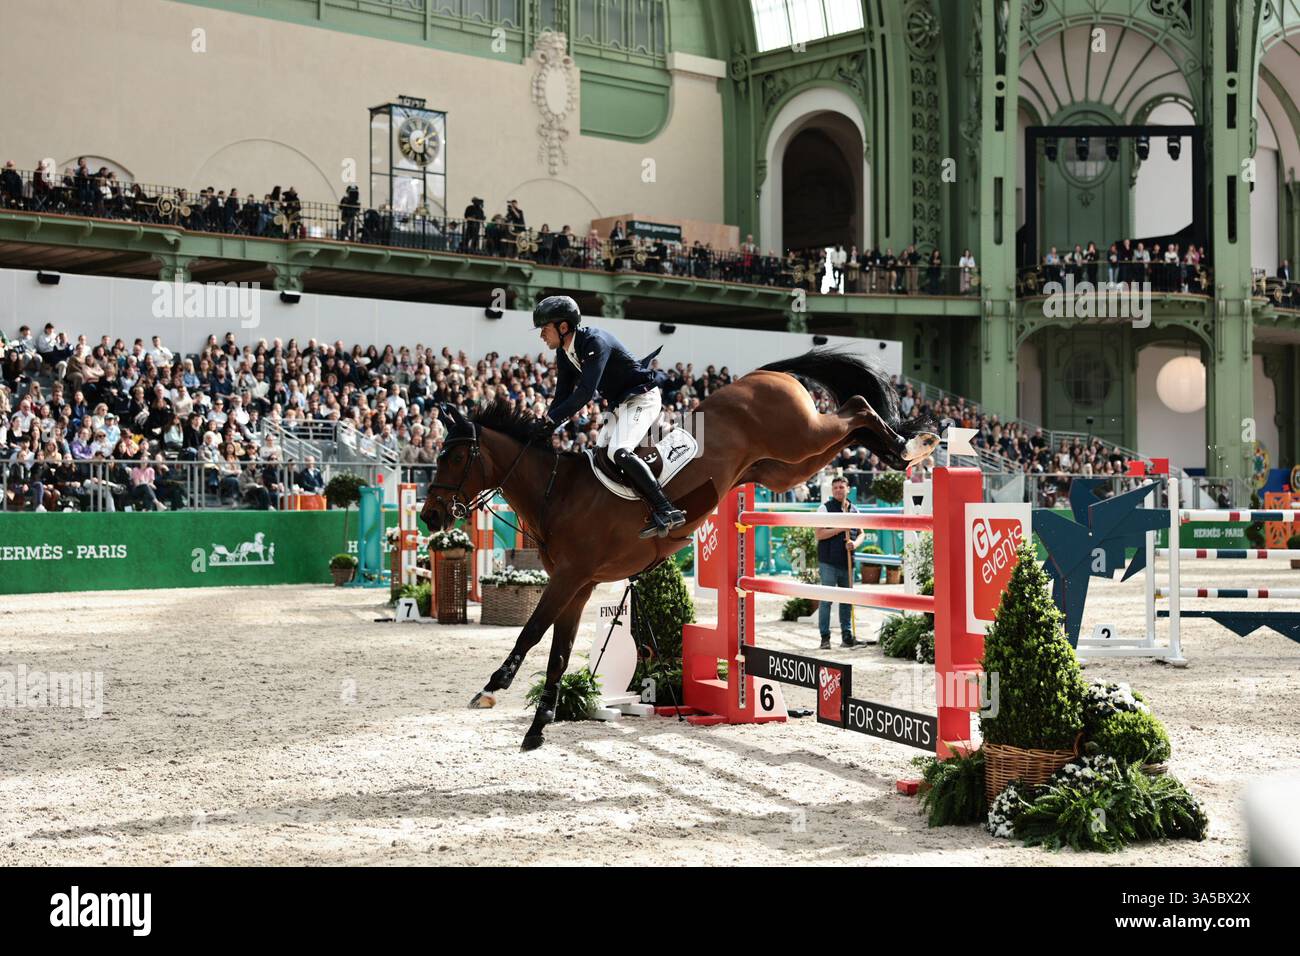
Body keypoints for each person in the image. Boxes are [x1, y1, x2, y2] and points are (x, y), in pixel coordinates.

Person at [534, 295, 685, 538]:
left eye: (544, 328)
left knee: (619, 451)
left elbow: (584, 394)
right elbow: (562, 395)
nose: (541, 334)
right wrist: (545, 425)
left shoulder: (595, 342)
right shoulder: (564, 353)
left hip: (642, 398)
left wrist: (552, 421)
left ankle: (666, 508)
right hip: (620, 405)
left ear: (563, 327)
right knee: (598, 458)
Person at [815, 476, 864, 649]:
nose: (838, 490)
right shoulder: (824, 509)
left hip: (848, 559)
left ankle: (847, 637)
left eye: (841, 487)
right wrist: (841, 529)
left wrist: (855, 544)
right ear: (831, 490)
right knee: (826, 600)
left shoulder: (854, 510)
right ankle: (825, 638)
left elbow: (861, 533)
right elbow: (819, 534)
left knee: (846, 600)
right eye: (835, 487)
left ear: (848, 489)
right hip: (828, 560)